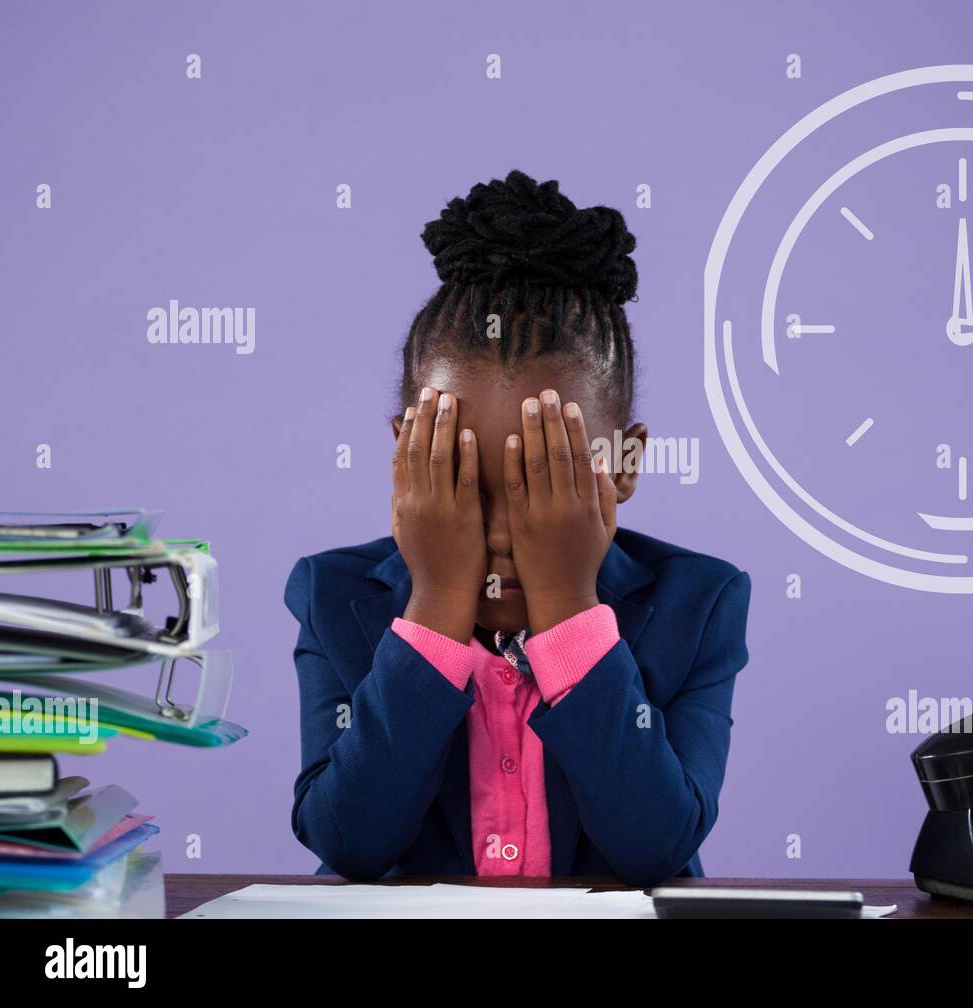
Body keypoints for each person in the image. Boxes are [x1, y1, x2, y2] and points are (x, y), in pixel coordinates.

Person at [284, 170, 751, 886]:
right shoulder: (334, 594)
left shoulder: (700, 602)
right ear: (408, 461)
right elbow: (350, 839)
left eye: (546, 477)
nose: (503, 529)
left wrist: (567, 602)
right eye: (463, 481)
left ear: (624, 463)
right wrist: (437, 601)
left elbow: (655, 845)